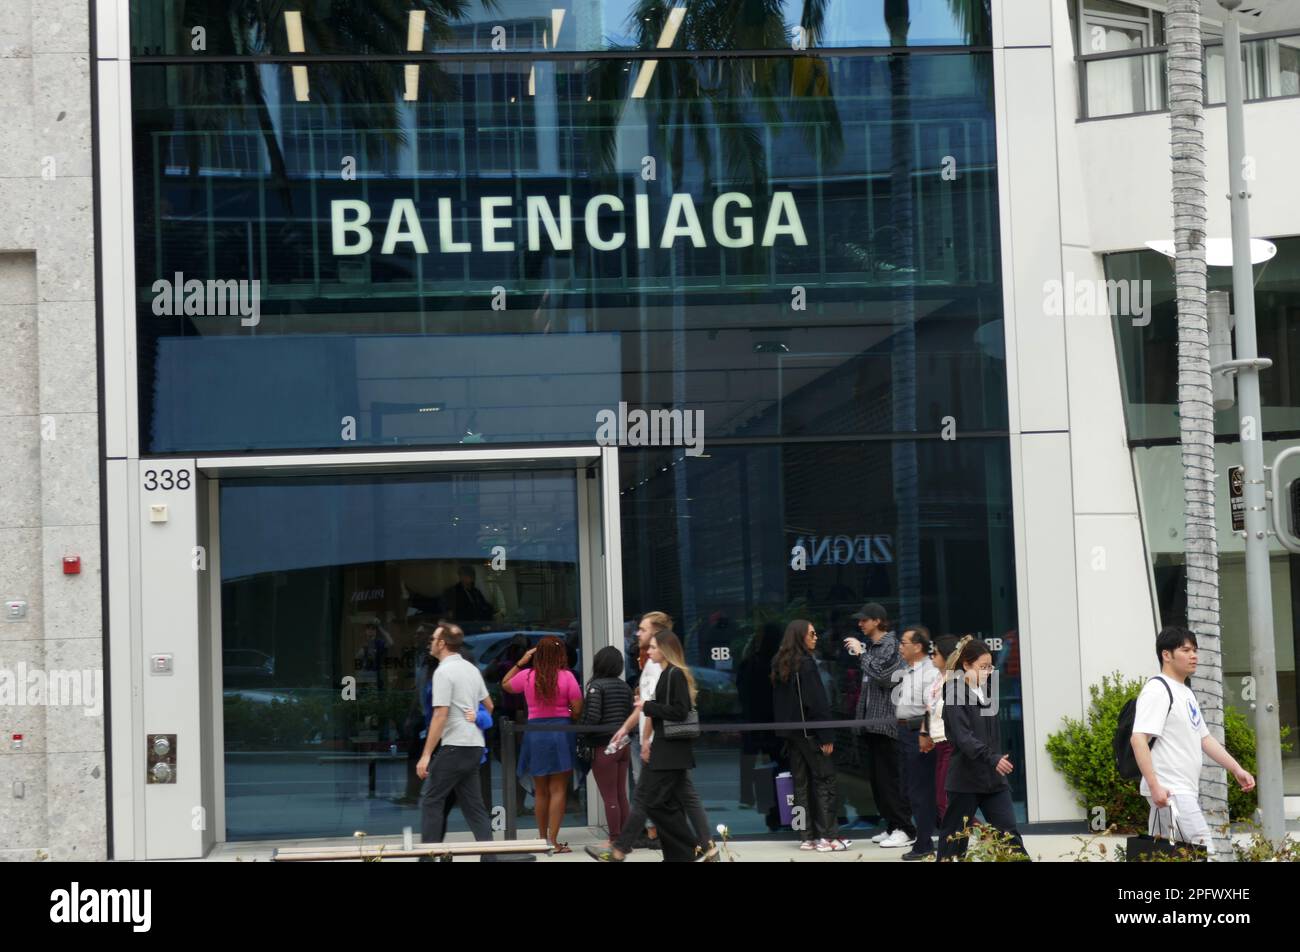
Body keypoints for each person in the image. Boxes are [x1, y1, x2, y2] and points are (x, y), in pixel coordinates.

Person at [1131, 626, 1255, 855]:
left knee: (1165, 854)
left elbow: (1205, 739)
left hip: (1179, 790)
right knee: (1205, 852)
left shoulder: (1185, 692)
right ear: (1166, 655)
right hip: (1171, 791)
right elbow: (1138, 738)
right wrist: (1155, 785)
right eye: (1186, 650)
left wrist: (1236, 769)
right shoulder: (1157, 690)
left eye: (1195, 650)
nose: (1194, 656)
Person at [591, 631, 701, 862]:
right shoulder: (667, 674)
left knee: (647, 801)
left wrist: (647, 706)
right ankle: (695, 849)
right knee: (662, 806)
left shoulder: (674, 675)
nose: (648, 651)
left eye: (652, 647)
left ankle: (620, 849)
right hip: (667, 750)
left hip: (669, 751)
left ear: (665, 649)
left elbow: (680, 711)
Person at [935, 637, 1028, 861]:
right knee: (954, 841)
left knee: (1009, 835)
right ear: (966, 665)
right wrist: (992, 758)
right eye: (983, 667)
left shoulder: (986, 691)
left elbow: (990, 735)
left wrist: (995, 759)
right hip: (965, 781)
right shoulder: (955, 695)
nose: (988, 671)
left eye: (990, 666)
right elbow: (963, 739)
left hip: (993, 781)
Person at [415, 622, 496, 859]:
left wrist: (426, 754)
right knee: (474, 808)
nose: (430, 642)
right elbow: (489, 706)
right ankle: (490, 857)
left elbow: (440, 714)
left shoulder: (443, 672)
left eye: (433, 638)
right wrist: (475, 719)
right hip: (474, 746)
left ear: (442, 643)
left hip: (455, 746)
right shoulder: (470, 669)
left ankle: (427, 857)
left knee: (431, 800)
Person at [771, 619, 849, 851]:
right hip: (811, 733)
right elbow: (817, 702)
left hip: (792, 734)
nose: (816, 637)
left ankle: (808, 836)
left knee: (801, 784)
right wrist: (827, 736)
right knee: (825, 780)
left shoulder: (780, 663)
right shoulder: (805, 664)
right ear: (800, 636)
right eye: (812, 634)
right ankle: (828, 836)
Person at [843, 603, 915, 849]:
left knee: (891, 779)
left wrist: (861, 654)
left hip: (888, 724)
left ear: (877, 621)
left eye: (864, 620)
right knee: (877, 780)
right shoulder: (874, 648)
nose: (860, 624)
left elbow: (885, 678)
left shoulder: (892, 646)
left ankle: (905, 828)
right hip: (871, 724)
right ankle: (892, 825)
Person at [502, 634, 583, 852]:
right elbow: (577, 710)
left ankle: (540, 839)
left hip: (535, 733)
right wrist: (564, 711)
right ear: (560, 654)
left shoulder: (528, 675)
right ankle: (554, 841)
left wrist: (522, 661)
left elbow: (506, 684)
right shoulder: (567, 677)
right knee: (558, 789)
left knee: (540, 791)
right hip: (560, 732)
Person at [578, 646, 635, 845]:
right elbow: (630, 715)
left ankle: (615, 838)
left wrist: (581, 731)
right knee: (621, 794)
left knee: (609, 796)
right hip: (623, 745)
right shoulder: (625, 686)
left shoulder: (596, 686)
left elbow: (593, 717)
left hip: (603, 746)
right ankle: (626, 838)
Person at [895, 625, 939, 860]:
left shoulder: (930, 672)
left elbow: (930, 707)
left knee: (920, 792)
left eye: (904, 643)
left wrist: (925, 734)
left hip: (918, 735)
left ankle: (924, 845)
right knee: (910, 790)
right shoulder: (909, 670)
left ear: (918, 646)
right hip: (905, 733)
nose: (900, 647)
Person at [923, 634, 960, 826]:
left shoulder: (956, 681)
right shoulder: (939, 679)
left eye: (935, 653)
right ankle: (987, 839)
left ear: (947, 655)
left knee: (945, 801)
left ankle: (987, 839)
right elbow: (930, 710)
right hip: (939, 743)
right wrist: (926, 733)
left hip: (950, 744)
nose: (932, 657)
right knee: (943, 801)